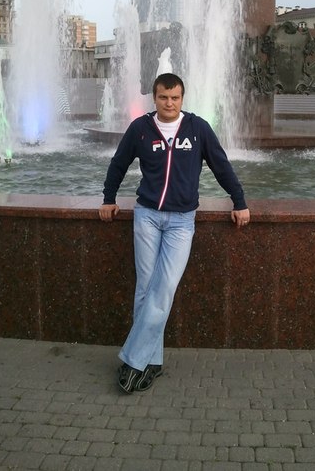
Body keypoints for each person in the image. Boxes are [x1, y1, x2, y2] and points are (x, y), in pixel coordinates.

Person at [99, 72, 250, 394]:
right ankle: (151, 362)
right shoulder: (141, 128)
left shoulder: (197, 129)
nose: (169, 103)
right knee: (145, 289)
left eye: (175, 98)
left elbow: (221, 165)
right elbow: (118, 163)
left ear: (182, 99)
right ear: (154, 98)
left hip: (181, 221)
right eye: (164, 97)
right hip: (147, 216)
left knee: (164, 288)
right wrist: (108, 198)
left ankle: (133, 360)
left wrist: (239, 201)